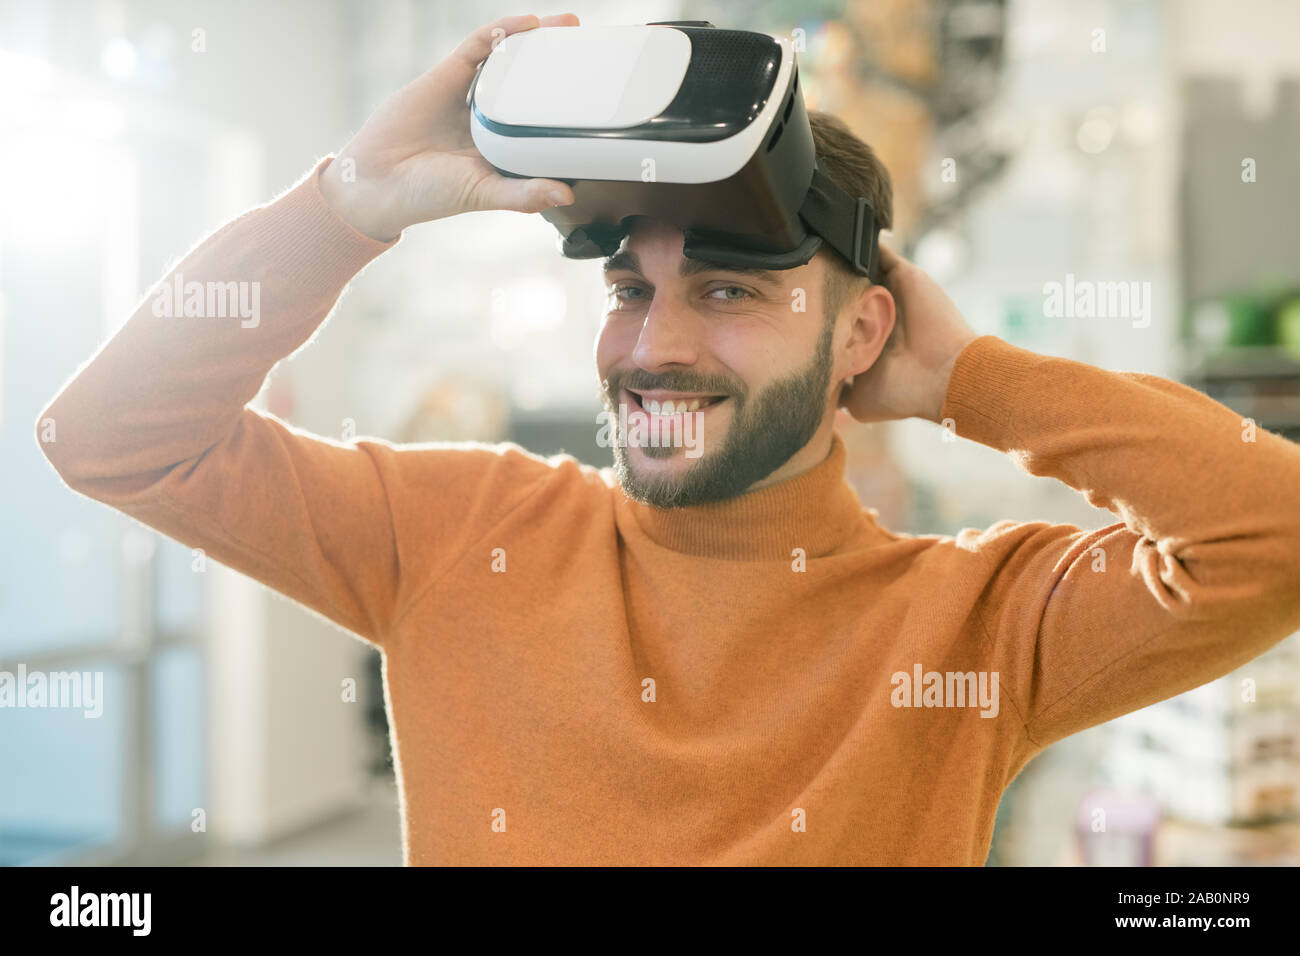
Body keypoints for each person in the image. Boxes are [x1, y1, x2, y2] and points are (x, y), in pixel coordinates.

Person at [36, 12, 1300, 865]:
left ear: (863, 331)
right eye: (630, 290)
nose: (654, 345)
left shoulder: (977, 623)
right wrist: (347, 207)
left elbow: (1273, 534)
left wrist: (973, 377)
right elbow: (113, 436)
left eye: (732, 288)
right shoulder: (455, 535)